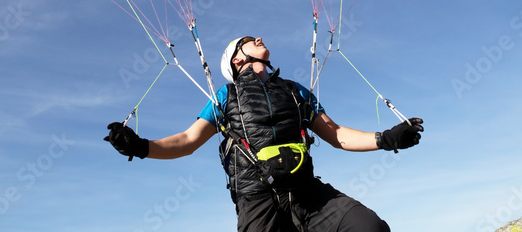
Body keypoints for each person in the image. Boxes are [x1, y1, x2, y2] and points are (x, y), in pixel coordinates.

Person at [104, 36, 424, 231]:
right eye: (248, 40)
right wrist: (141, 146)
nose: (258, 38)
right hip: (258, 202)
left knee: (369, 227)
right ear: (238, 58)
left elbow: (337, 135)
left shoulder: (295, 91)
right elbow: (187, 142)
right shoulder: (225, 97)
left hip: (307, 193)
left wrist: (387, 139)